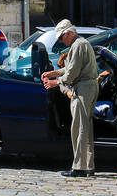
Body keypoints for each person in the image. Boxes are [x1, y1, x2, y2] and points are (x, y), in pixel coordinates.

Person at [41, 19, 99, 178]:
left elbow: (73, 72)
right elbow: (71, 67)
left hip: (83, 88)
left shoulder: (78, 45)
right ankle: (88, 166)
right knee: (86, 127)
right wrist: (55, 73)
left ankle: (79, 167)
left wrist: (56, 82)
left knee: (79, 128)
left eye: (61, 37)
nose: (61, 41)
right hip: (88, 86)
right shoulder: (80, 44)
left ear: (68, 33)